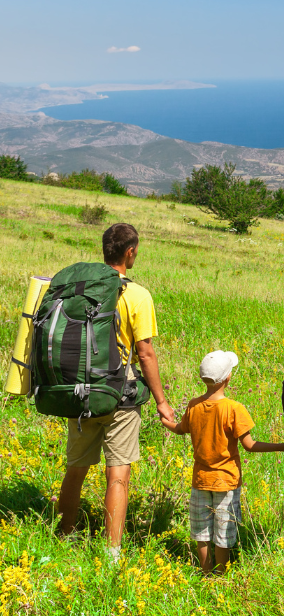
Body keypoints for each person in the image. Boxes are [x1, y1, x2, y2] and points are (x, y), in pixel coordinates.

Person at [55, 223, 175, 557]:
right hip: (120, 394)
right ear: (130, 252)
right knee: (118, 475)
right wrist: (162, 402)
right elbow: (146, 353)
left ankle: (64, 537)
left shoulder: (80, 289)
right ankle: (111, 554)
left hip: (79, 391)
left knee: (75, 470)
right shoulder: (137, 295)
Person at [162, 350, 284, 573]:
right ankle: (220, 577)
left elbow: (179, 429)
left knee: (201, 532)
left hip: (200, 480)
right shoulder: (234, 408)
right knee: (223, 534)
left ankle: (205, 572)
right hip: (226, 482)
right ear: (227, 378)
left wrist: (166, 421)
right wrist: (283, 446)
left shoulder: (193, 406)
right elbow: (250, 445)